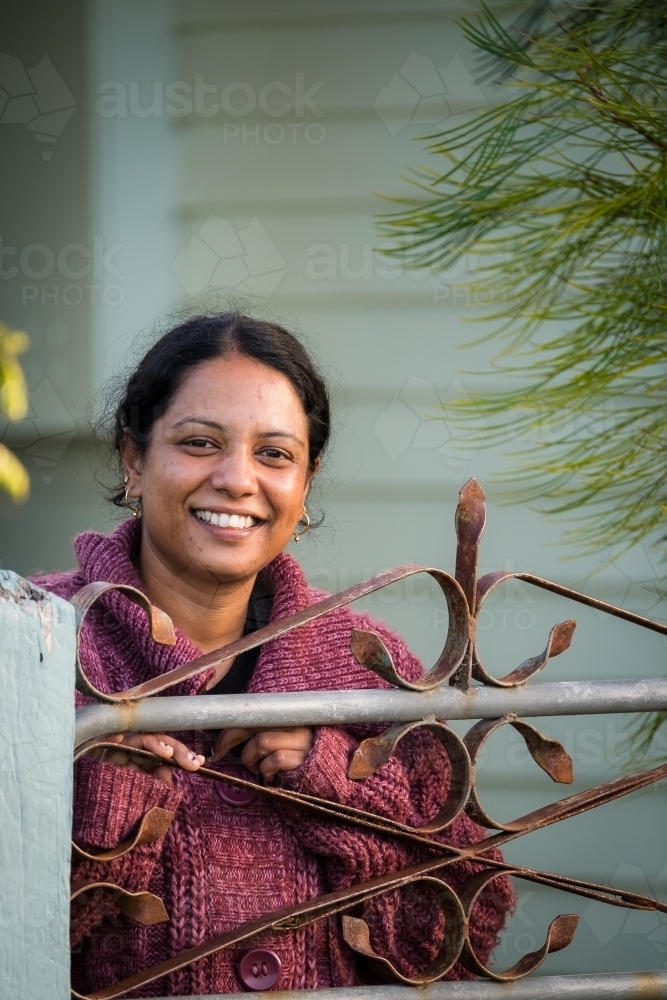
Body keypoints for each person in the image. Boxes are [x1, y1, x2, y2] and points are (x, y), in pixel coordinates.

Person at [34, 312, 514, 996]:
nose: (236, 480)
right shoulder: (33, 644)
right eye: (200, 442)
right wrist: (105, 801)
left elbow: (463, 937)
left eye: (274, 454)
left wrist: (339, 789)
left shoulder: (369, 668)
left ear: (306, 483)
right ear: (133, 460)